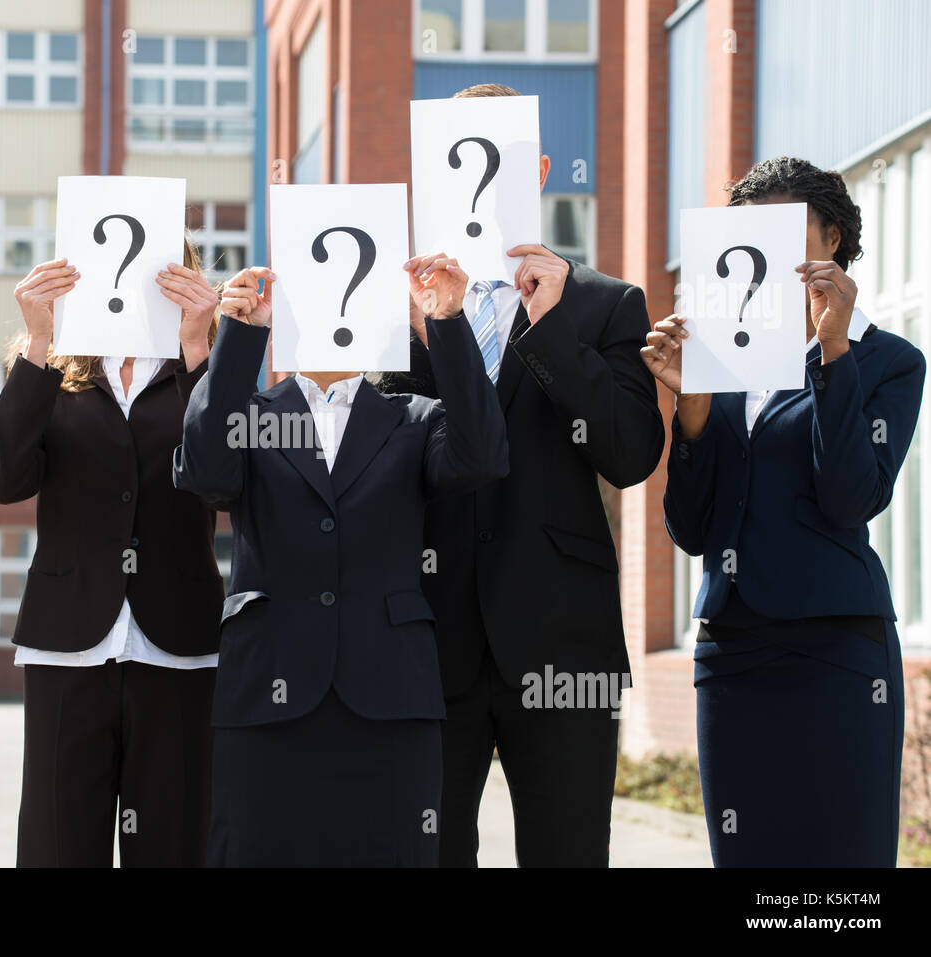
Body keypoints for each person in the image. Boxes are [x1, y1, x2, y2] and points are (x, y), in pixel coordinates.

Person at [376, 83, 665, 867]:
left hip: (563, 644)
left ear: (537, 168)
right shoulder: (393, 317)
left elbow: (632, 453)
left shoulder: (606, 304)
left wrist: (554, 331)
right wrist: (432, 337)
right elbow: (384, 471)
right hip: (432, 640)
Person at [174, 254, 508, 866]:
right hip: (268, 693)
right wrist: (243, 335)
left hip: (387, 697)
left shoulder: (413, 417)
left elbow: (482, 455)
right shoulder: (251, 416)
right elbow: (203, 470)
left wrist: (447, 324)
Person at [645, 156, 925, 867]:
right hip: (734, 651)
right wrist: (694, 413)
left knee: (845, 879)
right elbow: (694, 529)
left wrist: (833, 350)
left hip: (838, 650)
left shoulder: (890, 360)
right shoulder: (724, 355)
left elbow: (851, 498)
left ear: (831, 236)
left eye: (786, 227)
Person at [0, 239, 223, 867]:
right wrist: (37, 342)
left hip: (176, 644)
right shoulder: (51, 369)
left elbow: (225, 480)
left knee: (173, 845)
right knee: (57, 847)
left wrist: (199, 352)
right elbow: (3, 480)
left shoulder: (207, 365)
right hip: (68, 642)